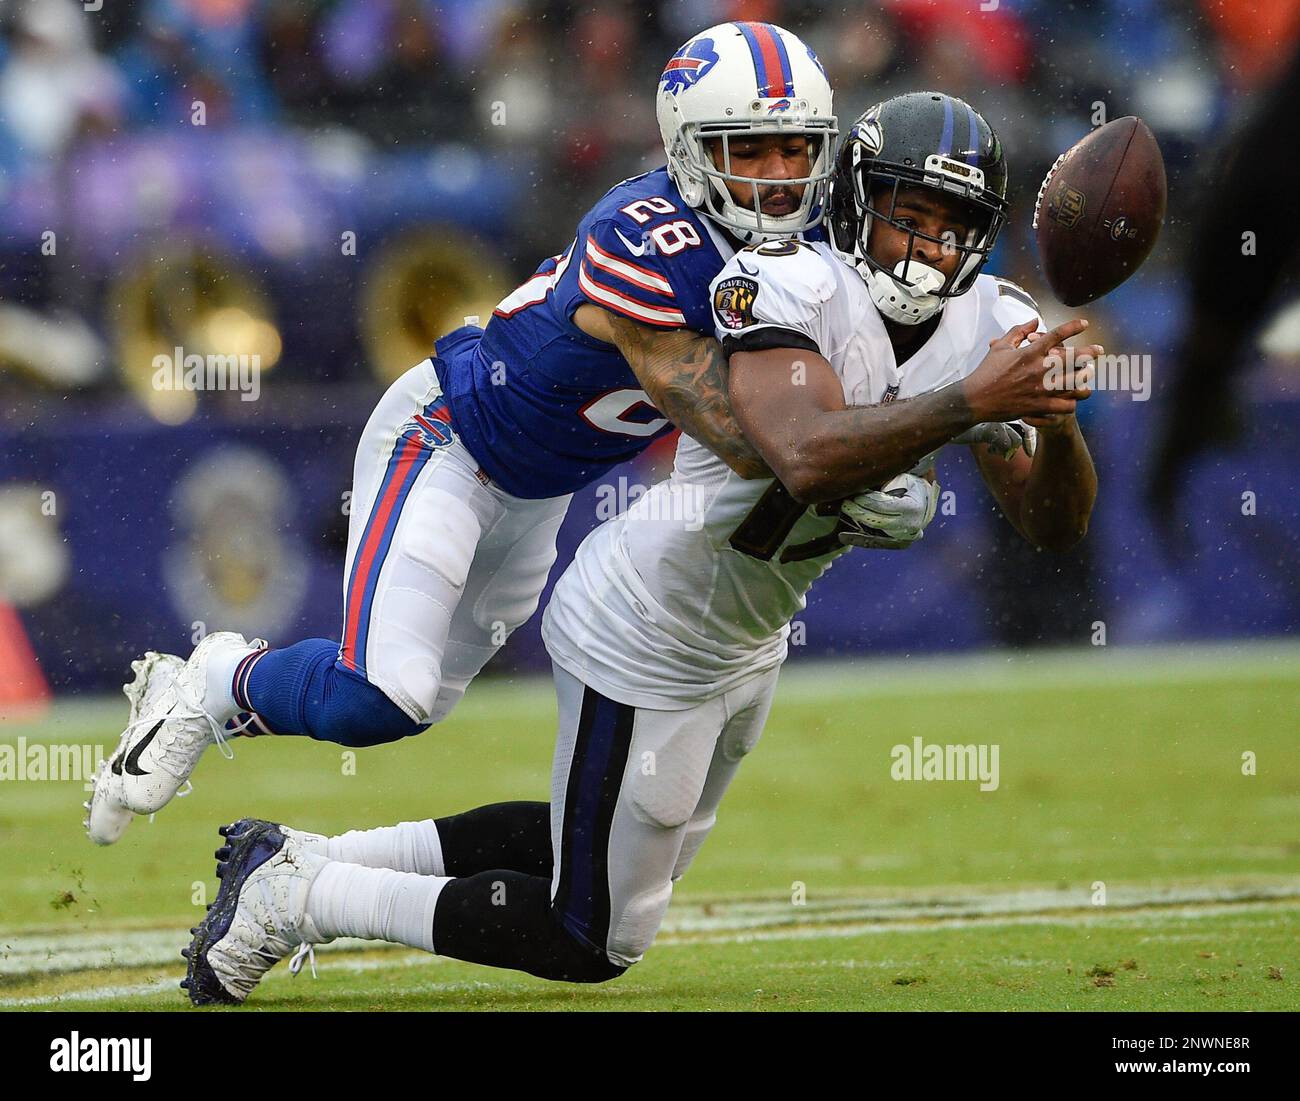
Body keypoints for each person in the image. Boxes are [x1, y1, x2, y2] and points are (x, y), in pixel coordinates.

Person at [180, 92, 1099, 1005]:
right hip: (646, 621)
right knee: (592, 935)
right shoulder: (785, 283)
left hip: (748, 633)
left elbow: (1055, 526)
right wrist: (967, 406)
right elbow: (805, 454)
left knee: (603, 846)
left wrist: (1052, 419)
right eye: (910, 215)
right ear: (859, 202)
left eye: (954, 226)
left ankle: (303, 860)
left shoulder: (991, 323)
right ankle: (296, 895)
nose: (928, 246)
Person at [85, 22, 838, 845]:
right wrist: (864, 462)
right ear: (688, 149)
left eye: (797, 149)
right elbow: (732, 425)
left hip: (538, 494)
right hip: (450, 437)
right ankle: (210, 678)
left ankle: (236, 709)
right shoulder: (647, 234)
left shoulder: (806, 247)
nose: (778, 176)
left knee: (392, 712)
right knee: (383, 691)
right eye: (750, 149)